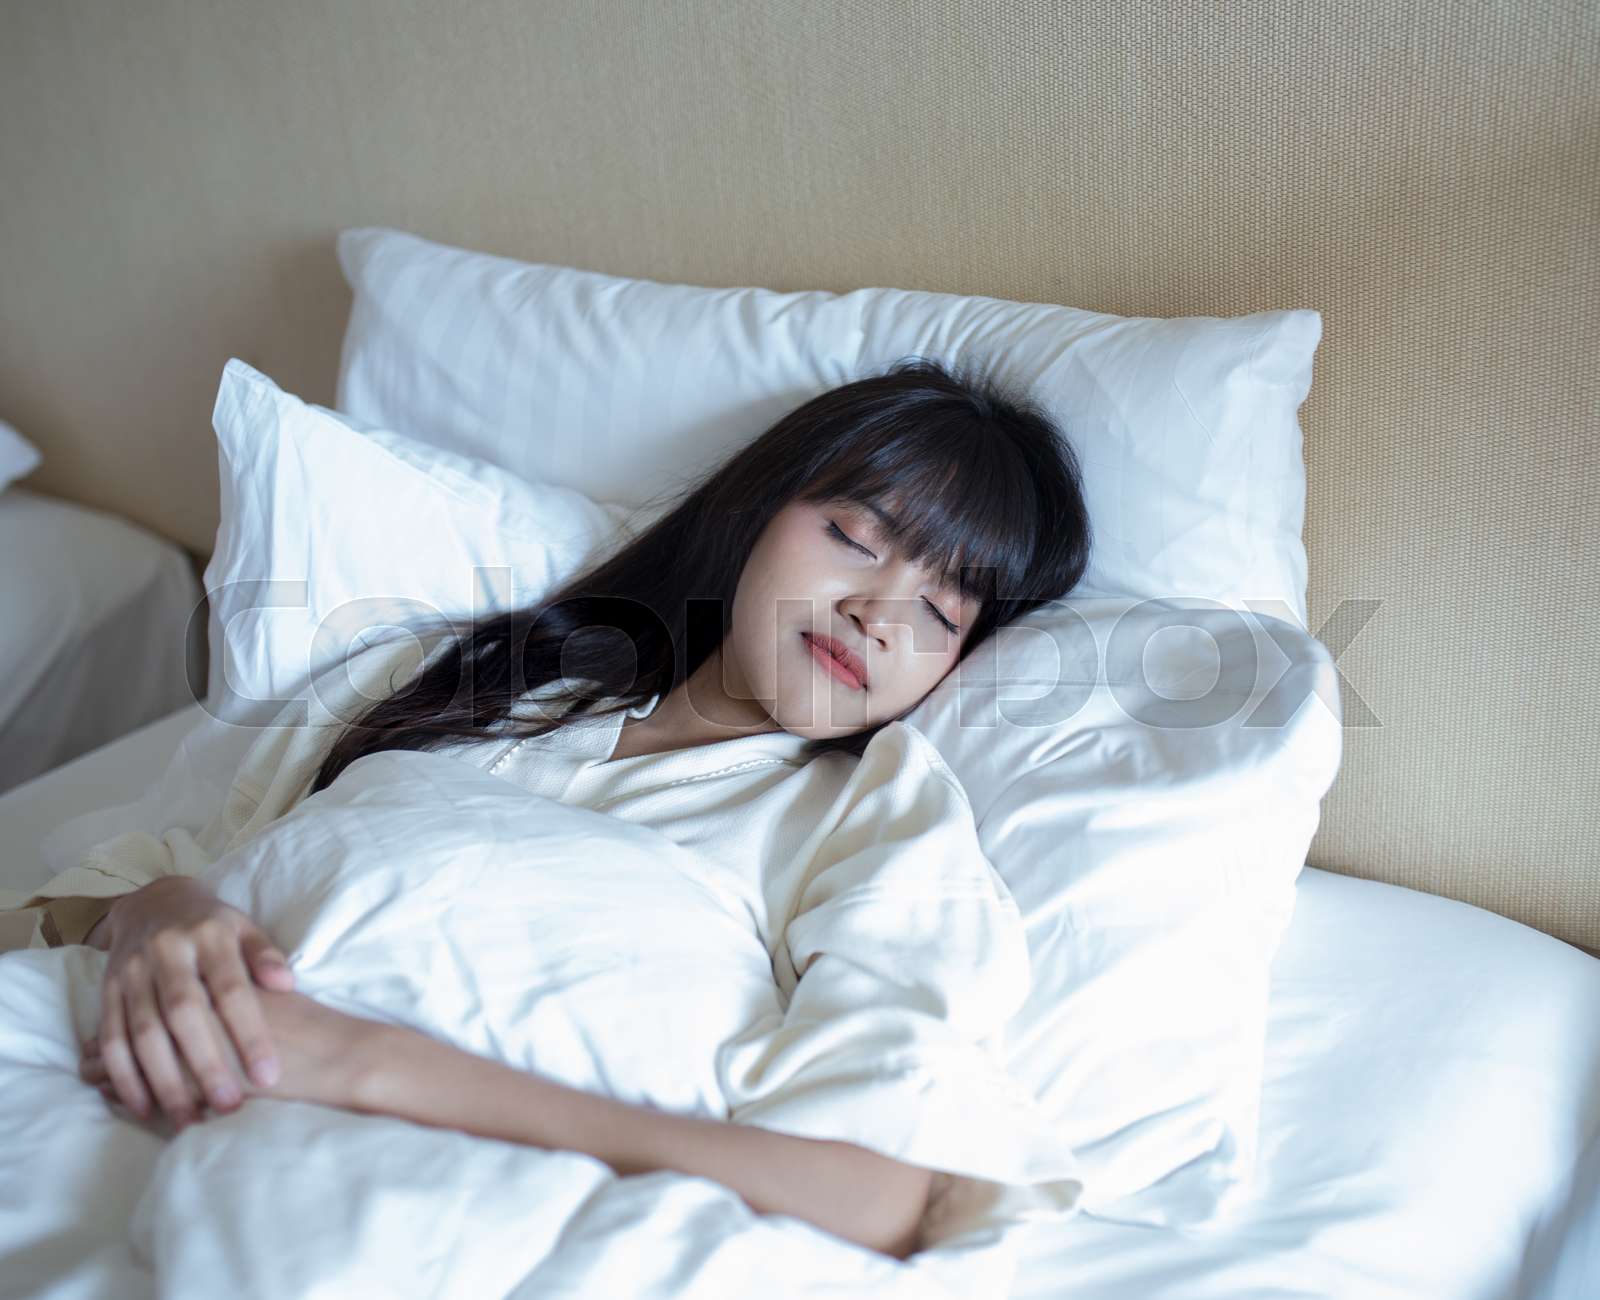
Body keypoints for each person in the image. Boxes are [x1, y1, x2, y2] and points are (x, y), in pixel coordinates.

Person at [16, 355, 1092, 1261]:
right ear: (757, 512)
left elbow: (885, 1194)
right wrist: (162, 912)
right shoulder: (468, 676)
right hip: (114, 1083)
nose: (875, 612)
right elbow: (191, 860)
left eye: (942, 610)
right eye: (855, 537)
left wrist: (367, 1063)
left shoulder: (873, 813)